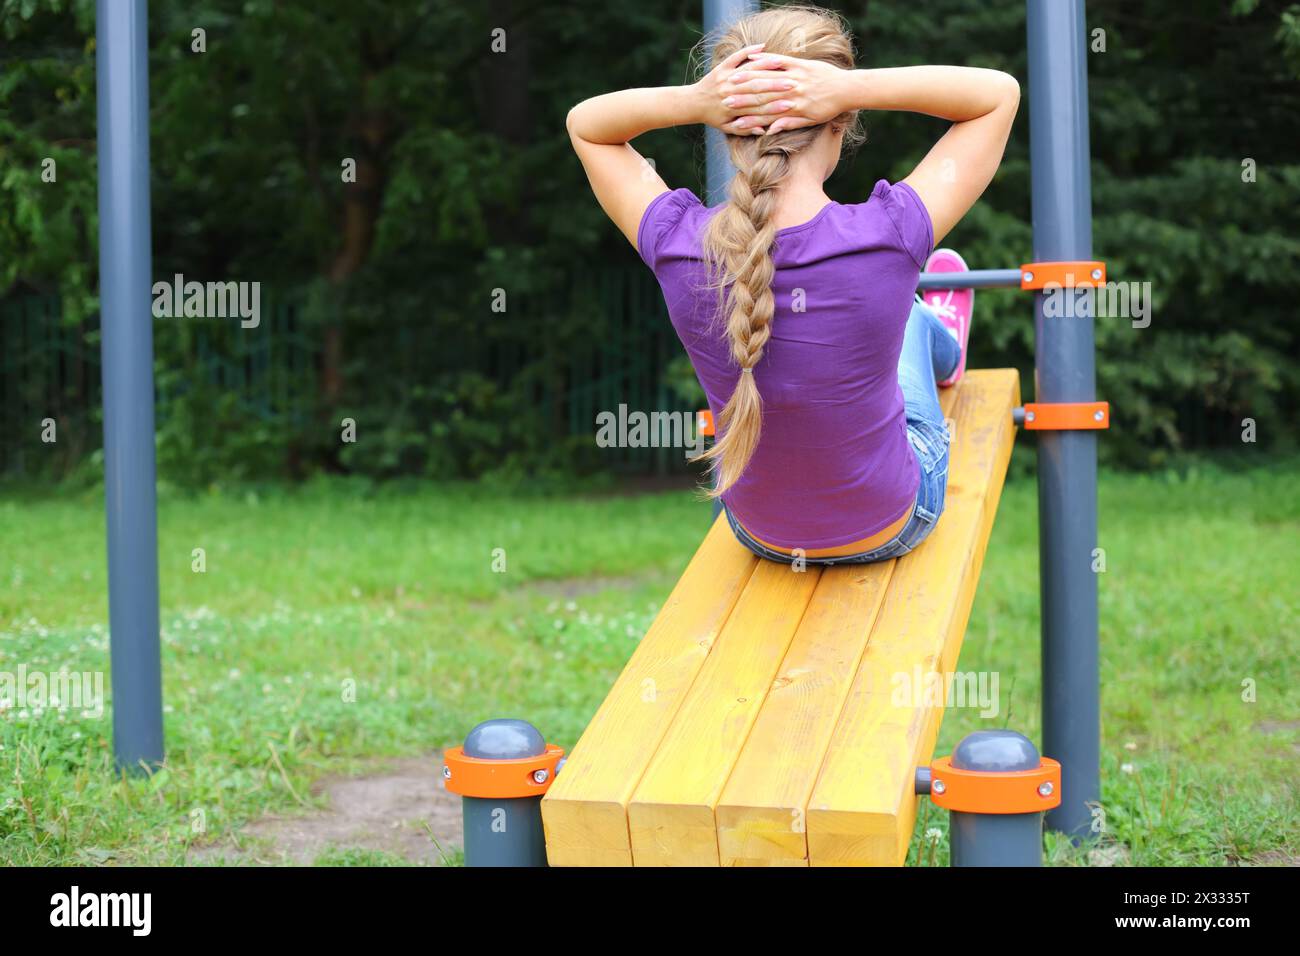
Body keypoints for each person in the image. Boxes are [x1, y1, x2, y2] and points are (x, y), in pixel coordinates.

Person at [565, 4, 1020, 564]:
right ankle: (940, 330)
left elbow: (586, 125)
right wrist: (850, 87)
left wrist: (697, 102)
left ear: (727, 130)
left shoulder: (678, 243)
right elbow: (998, 93)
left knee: (896, 324)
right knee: (909, 324)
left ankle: (933, 328)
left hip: (760, 533)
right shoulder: (888, 234)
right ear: (840, 123)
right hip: (892, 522)